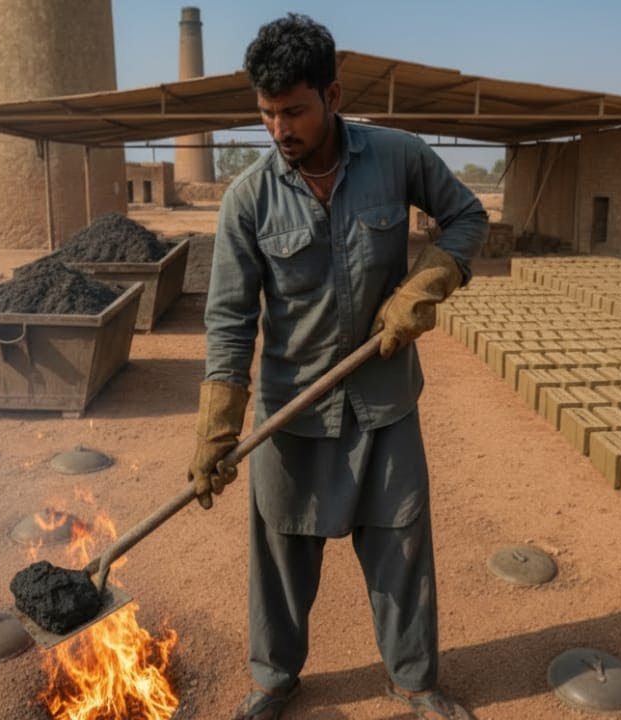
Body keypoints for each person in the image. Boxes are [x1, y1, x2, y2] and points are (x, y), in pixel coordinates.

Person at [188, 13, 487, 720]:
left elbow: (468, 217)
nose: (279, 129)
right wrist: (216, 429)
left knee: (401, 545)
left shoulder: (396, 156)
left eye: (294, 110)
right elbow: (229, 320)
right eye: (265, 114)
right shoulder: (248, 199)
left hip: (385, 403)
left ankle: (413, 682)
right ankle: (273, 677)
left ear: (333, 94)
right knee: (281, 552)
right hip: (293, 410)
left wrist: (425, 283)